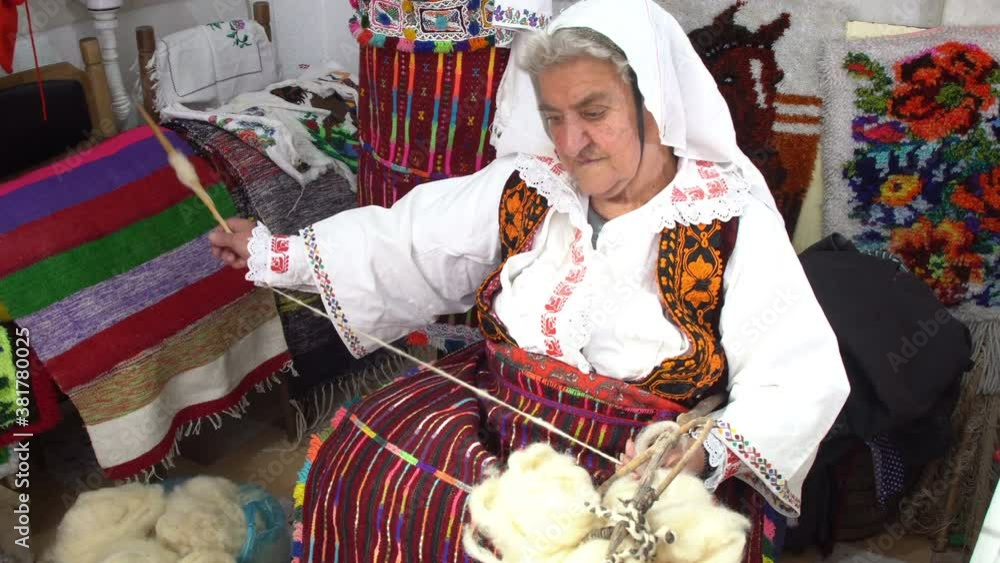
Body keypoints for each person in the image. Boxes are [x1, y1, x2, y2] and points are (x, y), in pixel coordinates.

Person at [209, 1, 850, 560]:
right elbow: (414, 240)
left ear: (653, 104)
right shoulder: (535, 184)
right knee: (363, 474)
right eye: (553, 117)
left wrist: (703, 453)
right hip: (499, 412)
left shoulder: (725, 218)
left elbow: (799, 374)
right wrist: (278, 254)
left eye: (594, 112)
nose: (573, 142)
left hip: (637, 459)